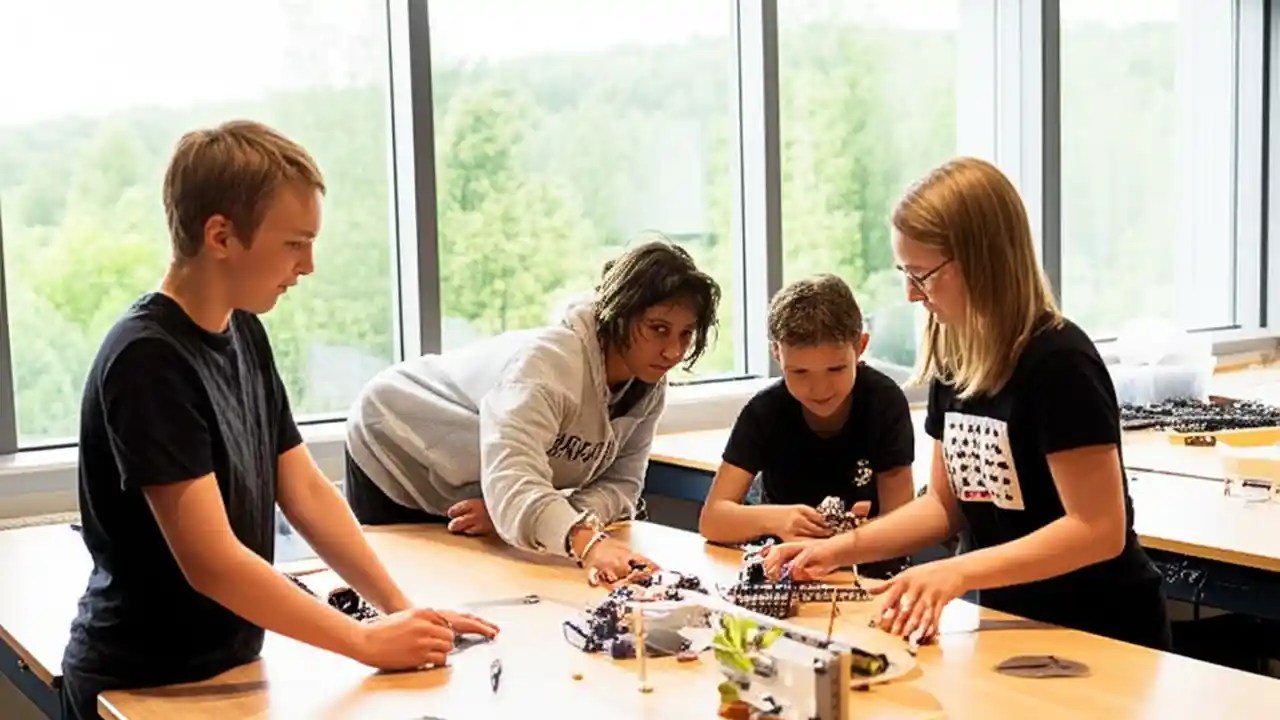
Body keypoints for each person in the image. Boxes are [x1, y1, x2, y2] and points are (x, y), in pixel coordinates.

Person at [61, 120, 497, 720]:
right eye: (295, 243)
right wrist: (364, 641)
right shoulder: (147, 359)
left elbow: (306, 492)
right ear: (221, 235)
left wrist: (398, 611)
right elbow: (211, 561)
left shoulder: (243, 330)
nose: (309, 265)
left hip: (230, 667)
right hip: (143, 683)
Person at [762, 157, 1171, 651]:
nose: (912, 294)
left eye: (923, 275)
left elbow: (1097, 529)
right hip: (1006, 622)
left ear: (981, 262)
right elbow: (944, 504)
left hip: (1099, 629)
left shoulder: (1059, 363)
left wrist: (954, 572)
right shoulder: (955, 352)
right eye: (904, 274)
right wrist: (836, 550)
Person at [345, 236, 721, 586]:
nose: (673, 351)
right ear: (620, 314)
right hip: (395, 441)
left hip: (476, 484)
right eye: (658, 329)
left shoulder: (648, 384)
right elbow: (513, 479)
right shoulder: (547, 369)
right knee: (415, 595)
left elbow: (621, 486)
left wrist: (556, 518)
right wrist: (584, 540)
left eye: (685, 334)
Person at [698, 274, 915, 577]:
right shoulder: (764, 412)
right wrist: (776, 519)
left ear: (861, 346)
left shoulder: (883, 403)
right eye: (799, 372)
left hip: (866, 572)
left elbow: (904, 524)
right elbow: (713, 520)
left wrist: (846, 539)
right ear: (777, 353)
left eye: (836, 368)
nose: (819, 388)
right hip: (785, 570)